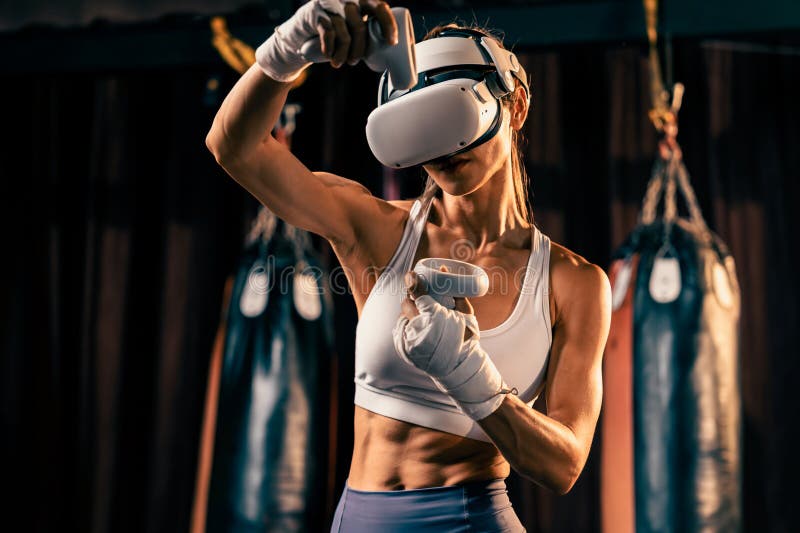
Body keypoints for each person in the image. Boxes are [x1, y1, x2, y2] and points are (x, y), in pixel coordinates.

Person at [205, 1, 611, 531]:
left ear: (514, 106)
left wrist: (472, 378)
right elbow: (233, 148)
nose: (440, 146)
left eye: (449, 114)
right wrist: (285, 51)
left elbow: (565, 465)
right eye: (418, 124)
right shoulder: (376, 231)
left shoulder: (573, 283)